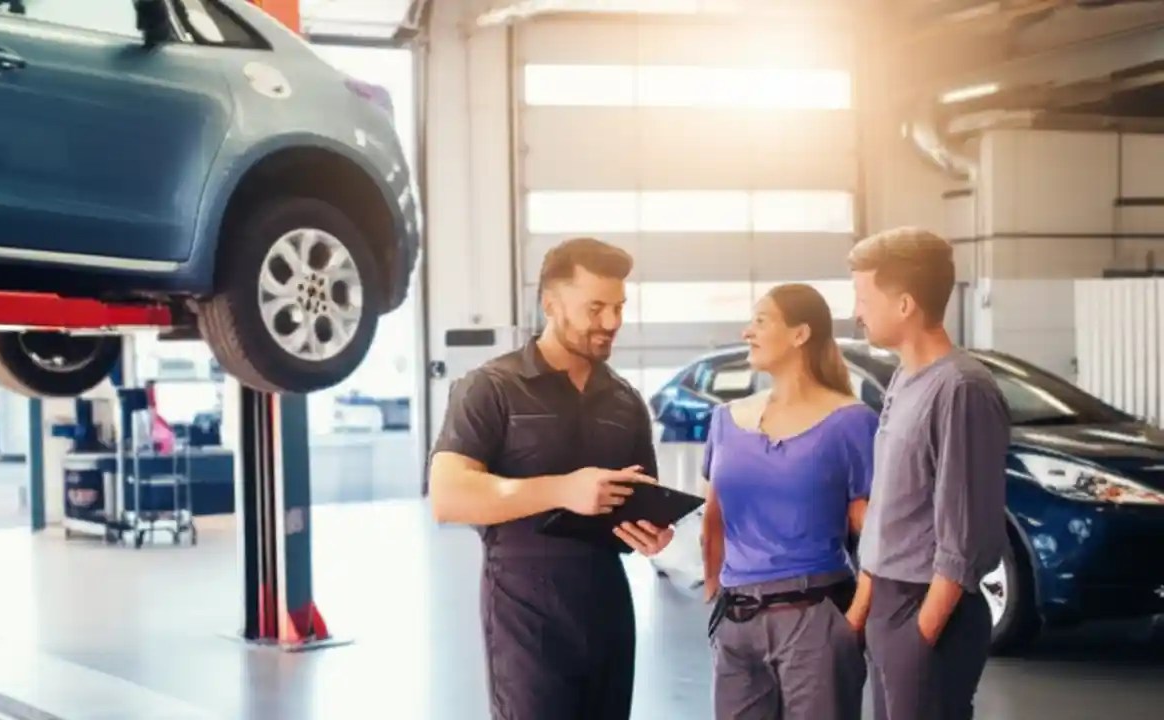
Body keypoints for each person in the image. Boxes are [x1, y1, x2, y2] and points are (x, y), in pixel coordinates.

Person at [427, 236, 676, 720]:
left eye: (620, 307)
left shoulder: (625, 402)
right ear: (550, 304)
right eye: (596, 307)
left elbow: (637, 503)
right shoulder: (490, 388)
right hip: (525, 614)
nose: (612, 322)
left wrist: (651, 529)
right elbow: (448, 495)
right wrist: (564, 489)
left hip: (608, 608)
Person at [848, 227, 1011, 720]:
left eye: (864, 297)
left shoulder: (961, 389)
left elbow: (965, 538)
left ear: (904, 305)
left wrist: (919, 637)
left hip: (926, 608)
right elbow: (894, 514)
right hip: (890, 602)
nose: (857, 312)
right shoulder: (905, 378)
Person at [702, 283, 877, 720]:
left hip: (813, 616)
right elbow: (713, 521)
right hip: (737, 619)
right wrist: (715, 598)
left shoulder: (851, 422)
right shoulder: (725, 420)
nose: (747, 332)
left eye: (761, 321)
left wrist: (852, 623)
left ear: (800, 334)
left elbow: (877, 537)